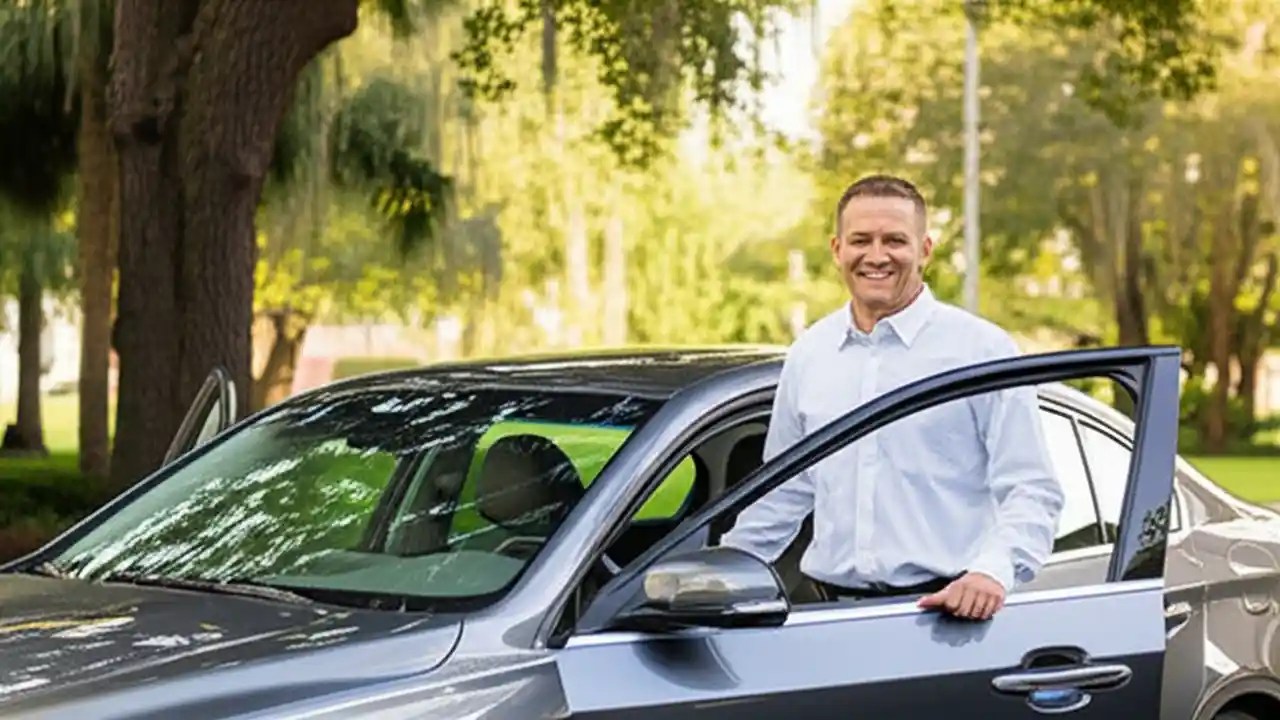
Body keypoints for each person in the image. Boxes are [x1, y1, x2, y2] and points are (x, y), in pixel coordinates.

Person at [719, 174, 1063, 621]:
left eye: (895, 241)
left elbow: (1032, 488)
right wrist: (720, 574)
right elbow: (783, 491)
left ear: (925, 250)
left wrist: (991, 573)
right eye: (861, 240)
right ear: (837, 249)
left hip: (947, 620)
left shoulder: (981, 351)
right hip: (826, 620)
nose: (877, 256)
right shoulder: (810, 354)